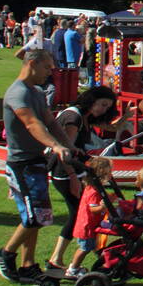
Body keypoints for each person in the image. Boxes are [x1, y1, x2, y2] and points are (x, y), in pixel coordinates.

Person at [0, 48, 74, 283]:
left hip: (35, 160)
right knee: (35, 216)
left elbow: (51, 122)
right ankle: (6, 254)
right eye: (47, 67)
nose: (50, 73)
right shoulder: (17, 93)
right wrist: (55, 146)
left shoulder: (36, 92)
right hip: (21, 163)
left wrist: (69, 144)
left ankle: (28, 264)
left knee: (38, 214)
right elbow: (32, 124)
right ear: (32, 63)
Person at [46, 85, 119, 272]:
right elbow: (66, 150)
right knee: (78, 215)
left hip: (71, 170)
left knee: (77, 213)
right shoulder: (74, 118)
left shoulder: (83, 117)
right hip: (65, 171)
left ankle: (60, 257)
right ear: (91, 100)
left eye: (106, 107)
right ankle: (57, 258)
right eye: (101, 104)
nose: (102, 109)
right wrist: (73, 177)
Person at [65, 157, 115, 278]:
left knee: (94, 246)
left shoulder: (95, 188)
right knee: (85, 248)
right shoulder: (93, 191)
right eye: (109, 172)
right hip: (86, 226)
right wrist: (102, 207)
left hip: (92, 225)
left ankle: (104, 262)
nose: (110, 174)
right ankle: (73, 269)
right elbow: (93, 209)